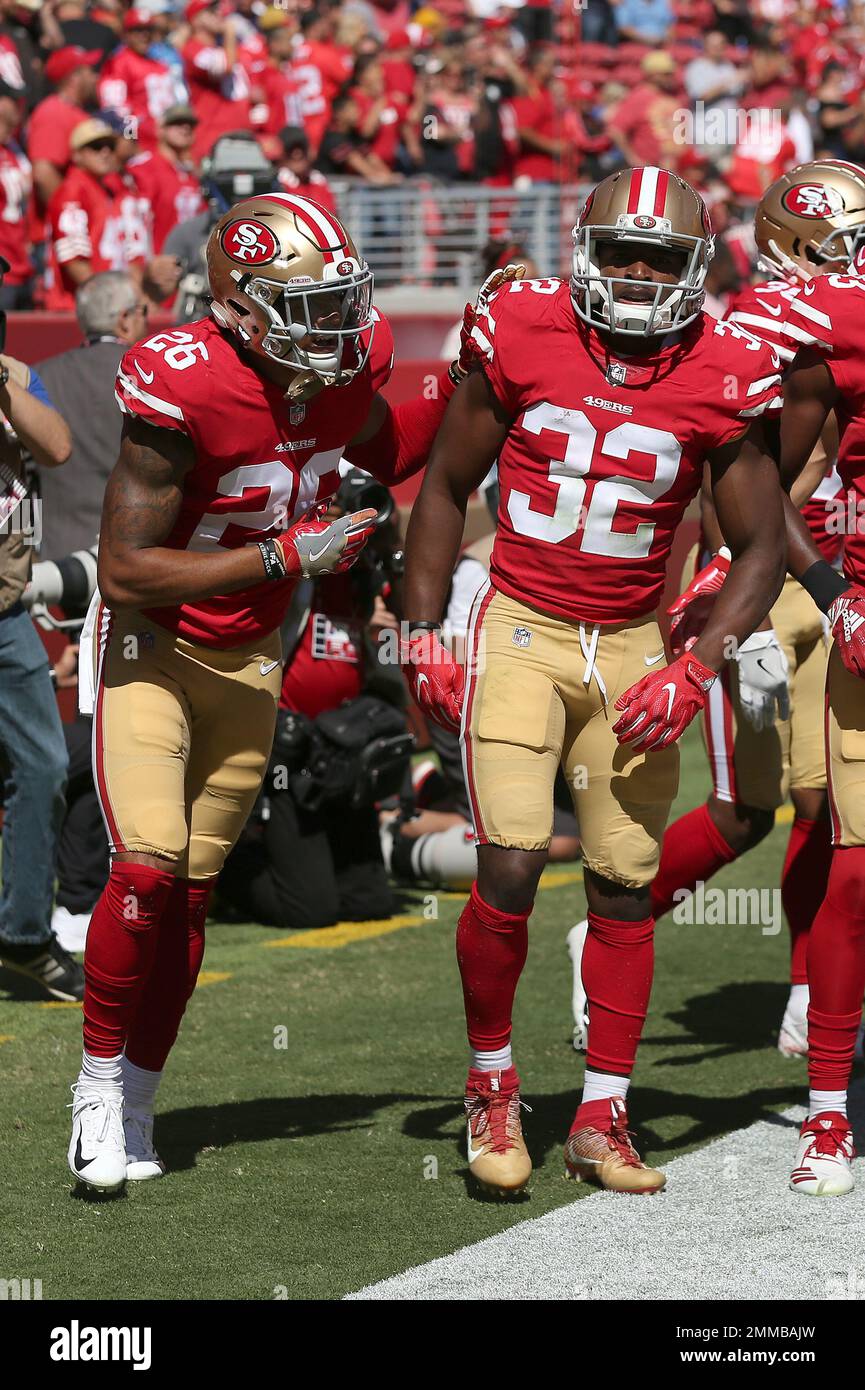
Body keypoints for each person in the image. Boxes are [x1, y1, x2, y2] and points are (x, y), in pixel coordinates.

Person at [66, 190, 486, 1193]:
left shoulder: (337, 370)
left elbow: (389, 449)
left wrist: (474, 366)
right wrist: (283, 554)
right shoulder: (185, 379)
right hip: (155, 644)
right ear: (239, 305)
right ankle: (94, 1086)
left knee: (191, 895)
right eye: (310, 304)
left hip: (252, 657)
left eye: (342, 299)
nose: (339, 323)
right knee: (146, 871)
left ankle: (139, 1096)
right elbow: (125, 570)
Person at [400, 166, 788, 1199]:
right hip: (520, 623)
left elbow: (759, 545)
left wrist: (696, 666)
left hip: (629, 641)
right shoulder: (522, 326)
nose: (635, 273)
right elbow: (444, 483)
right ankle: (491, 1086)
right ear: (584, 249)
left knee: (622, 880)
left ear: (691, 268)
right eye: (619, 251)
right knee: (512, 861)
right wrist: (422, 628)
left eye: (657, 258)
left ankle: (601, 1113)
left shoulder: (727, 365)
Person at [634, 161, 864, 1063]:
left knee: (821, 803)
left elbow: (821, 458)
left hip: (831, 576)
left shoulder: (833, 323)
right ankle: (611, 925)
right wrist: (733, 576)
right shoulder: (762, 325)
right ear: (796, 249)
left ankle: (809, 994)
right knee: (745, 807)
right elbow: (739, 479)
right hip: (762, 583)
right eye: (848, 244)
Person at [769, 258, 865, 1196]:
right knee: (855, 877)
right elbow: (762, 482)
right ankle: (827, 1112)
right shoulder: (837, 324)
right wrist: (834, 594)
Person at [0, 257, 77, 1001]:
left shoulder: (17, 375)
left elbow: (57, 445)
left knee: (45, 768)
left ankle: (22, 934)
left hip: (7, 614)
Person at [44, 118, 177, 312]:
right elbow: (75, 262)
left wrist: (138, 298)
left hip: (108, 303)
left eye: (110, 146)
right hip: (80, 307)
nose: (105, 152)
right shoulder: (73, 191)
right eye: (96, 147)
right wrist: (111, 300)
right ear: (77, 155)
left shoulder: (106, 191)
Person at [27, 44, 100, 215]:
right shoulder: (54, 112)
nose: (95, 77)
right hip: (69, 227)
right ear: (74, 78)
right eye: (89, 71)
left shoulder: (78, 111)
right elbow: (43, 173)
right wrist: (67, 215)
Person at [126, 104, 207, 254]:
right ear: (160, 129)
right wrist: (148, 261)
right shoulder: (143, 168)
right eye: (176, 123)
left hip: (190, 257)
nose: (185, 128)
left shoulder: (192, 174)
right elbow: (134, 220)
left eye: (190, 124)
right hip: (158, 257)